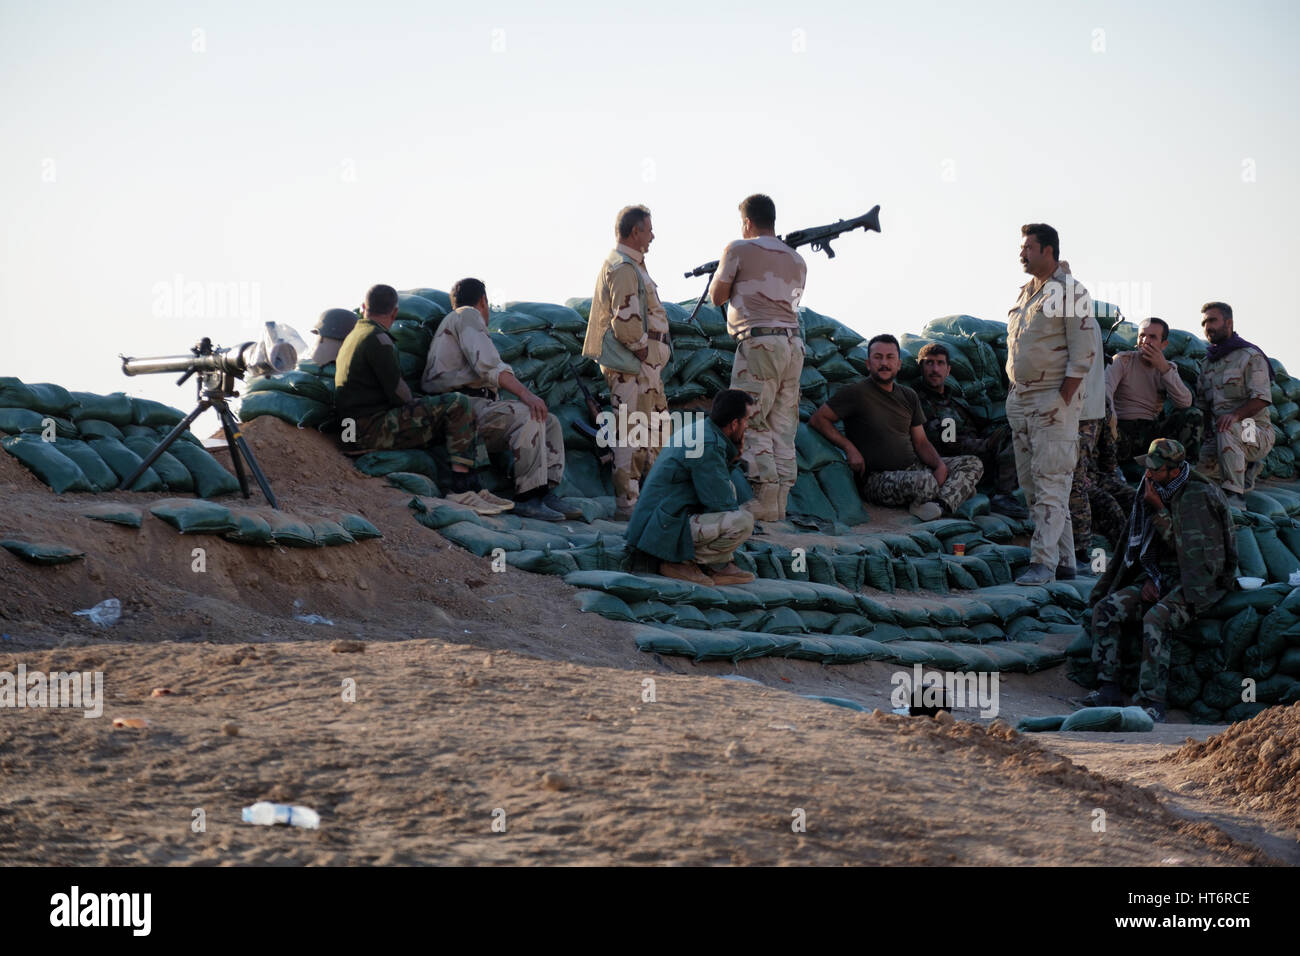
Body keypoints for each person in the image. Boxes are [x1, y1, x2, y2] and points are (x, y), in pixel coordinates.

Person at [1083, 439, 1237, 722]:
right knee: (1106, 608)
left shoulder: (1197, 496)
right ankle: (1108, 688)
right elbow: (1143, 547)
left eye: (1156, 470)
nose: (1149, 475)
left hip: (1198, 583)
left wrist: (1158, 510)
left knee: (1156, 619)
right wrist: (1149, 578)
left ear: (1174, 471)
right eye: (1149, 468)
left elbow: (1196, 557)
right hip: (1160, 576)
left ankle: (1153, 701)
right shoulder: (1154, 487)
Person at [422, 277, 580, 522]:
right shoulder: (467, 315)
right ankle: (528, 497)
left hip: (475, 407)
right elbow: (488, 365)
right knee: (529, 415)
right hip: (461, 410)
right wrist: (525, 394)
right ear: (483, 301)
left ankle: (544, 491)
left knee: (549, 422)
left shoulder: (458, 321)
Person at [335, 283, 497, 515]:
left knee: (449, 412)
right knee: (458, 404)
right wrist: (422, 402)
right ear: (395, 313)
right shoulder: (379, 339)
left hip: (350, 430)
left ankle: (473, 485)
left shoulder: (355, 335)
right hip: (368, 430)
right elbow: (399, 395)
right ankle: (462, 488)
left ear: (363, 308)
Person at [1004, 223, 1097, 585]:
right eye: (1021, 246)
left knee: (1052, 483)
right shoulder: (1027, 293)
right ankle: (1065, 562)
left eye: (1028, 247)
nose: (1021, 253)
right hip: (1022, 398)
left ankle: (1042, 563)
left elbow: (1083, 354)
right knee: (1034, 485)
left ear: (1048, 251)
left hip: (1052, 398)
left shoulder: (1069, 292)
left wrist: (1062, 399)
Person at [709, 193, 808, 522]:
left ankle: (764, 496)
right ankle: (778, 503)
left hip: (760, 343)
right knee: (783, 424)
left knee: (750, 421)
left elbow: (717, 297)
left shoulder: (737, 248)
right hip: (793, 345)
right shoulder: (796, 260)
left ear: (747, 222)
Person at [809, 334, 983, 521]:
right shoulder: (855, 393)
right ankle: (953, 493)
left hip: (915, 467)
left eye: (890, 357)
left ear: (899, 364)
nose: (884, 363)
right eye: (878, 357)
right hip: (878, 479)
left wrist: (939, 466)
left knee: (973, 463)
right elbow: (819, 420)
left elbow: (921, 442)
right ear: (868, 363)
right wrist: (849, 448)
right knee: (925, 481)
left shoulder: (909, 396)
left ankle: (939, 505)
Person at [582, 205, 670, 519]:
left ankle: (648, 503)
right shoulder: (622, 267)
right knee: (632, 435)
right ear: (635, 231)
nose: (653, 235)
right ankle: (628, 507)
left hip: (645, 368)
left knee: (657, 434)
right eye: (649, 229)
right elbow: (626, 322)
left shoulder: (634, 266)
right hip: (633, 367)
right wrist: (644, 351)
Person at [624, 389, 758, 586]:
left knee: (730, 489)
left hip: (664, 519)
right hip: (661, 528)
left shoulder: (704, 430)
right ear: (734, 423)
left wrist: (732, 456)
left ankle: (716, 563)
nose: (747, 426)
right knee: (742, 522)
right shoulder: (708, 443)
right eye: (746, 421)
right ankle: (681, 561)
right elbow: (720, 502)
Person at [915, 342, 1026, 519]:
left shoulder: (955, 399)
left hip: (977, 450)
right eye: (929, 363)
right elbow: (947, 441)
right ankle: (1002, 496)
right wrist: (987, 443)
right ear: (920, 367)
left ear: (948, 370)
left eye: (940, 363)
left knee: (1016, 431)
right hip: (953, 461)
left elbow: (978, 424)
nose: (935, 368)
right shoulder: (919, 401)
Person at [1194, 302, 1276, 508]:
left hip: (1254, 430)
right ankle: (1243, 466)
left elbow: (1262, 398)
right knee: (1198, 479)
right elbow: (1203, 407)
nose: (1207, 327)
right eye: (1204, 322)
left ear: (1228, 323)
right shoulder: (1206, 364)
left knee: (1227, 427)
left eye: (1212, 320)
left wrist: (1235, 416)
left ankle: (1235, 496)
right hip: (1222, 433)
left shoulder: (1249, 356)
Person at [1105, 317, 1200, 463]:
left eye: (1152, 337)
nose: (1146, 341)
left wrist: (1163, 368)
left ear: (1164, 344)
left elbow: (1185, 402)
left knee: (1193, 415)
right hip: (1122, 428)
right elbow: (1106, 390)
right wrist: (1112, 420)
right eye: (1142, 336)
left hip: (1152, 433)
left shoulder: (1168, 368)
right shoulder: (1123, 360)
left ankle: (1184, 470)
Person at [1067, 264, 1107, 575]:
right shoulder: (1083, 319)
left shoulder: (1078, 322)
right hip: (1082, 412)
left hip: (1079, 414)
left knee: (1073, 482)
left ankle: (1080, 547)